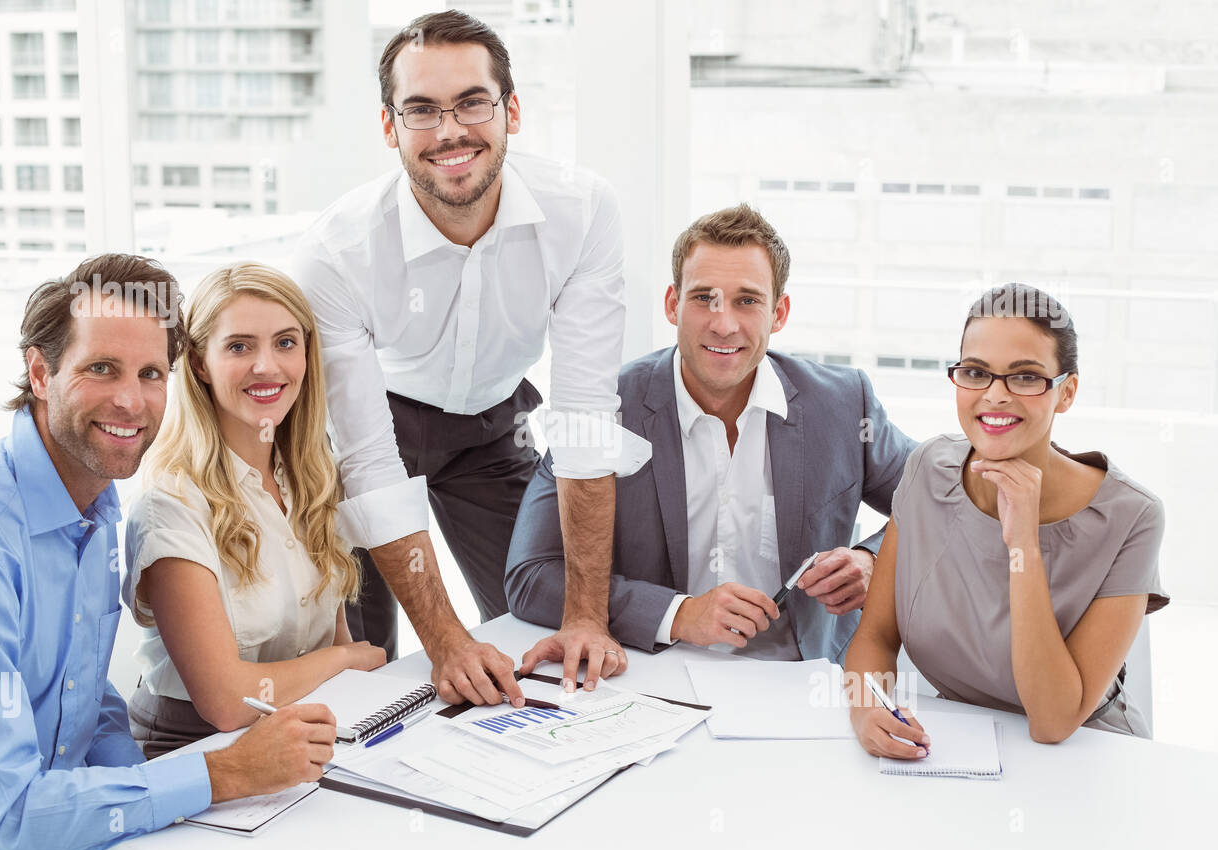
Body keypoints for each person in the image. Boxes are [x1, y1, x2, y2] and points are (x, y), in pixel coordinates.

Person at [0, 255, 338, 850]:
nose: (131, 401)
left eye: (149, 373)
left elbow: (84, 706)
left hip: (71, 839)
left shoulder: (92, 501)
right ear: (40, 371)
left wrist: (167, 805)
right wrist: (220, 775)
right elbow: (6, 826)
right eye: (101, 369)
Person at [290, 9, 650, 699]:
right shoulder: (336, 252)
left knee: (533, 608)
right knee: (367, 663)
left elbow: (583, 423)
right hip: (363, 434)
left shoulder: (581, 212)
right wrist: (447, 644)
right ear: (389, 127)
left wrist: (584, 617)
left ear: (511, 110)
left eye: (472, 103)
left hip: (492, 423)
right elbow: (368, 461)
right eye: (421, 110)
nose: (450, 130)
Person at [505, 205, 916, 663]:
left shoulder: (842, 403)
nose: (724, 323)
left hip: (807, 677)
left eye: (747, 300)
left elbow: (939, 504)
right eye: (704, 298)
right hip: (654, 670)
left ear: (778, 312)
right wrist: (678, 614)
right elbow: (531, 574)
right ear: (671, 304)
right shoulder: (603, 405)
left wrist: (873, 562)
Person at [845, 283, 1168, 756]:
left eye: (1025, 376)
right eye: (976, 372)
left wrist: (1023, 543)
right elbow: (875, 636)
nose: (995, 396)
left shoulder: (1132, 517)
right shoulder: (928, 468)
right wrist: (867, 707)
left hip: (1087, 756)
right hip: (958, 743)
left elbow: (1053, 721)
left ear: (1066, 392)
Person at [122, 264, 387, 758]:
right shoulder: (171, 503)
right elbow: (226, 699)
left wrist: (342, 662)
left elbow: (333, 640)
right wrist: (342, 659)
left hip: (296, 727)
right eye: (240, 347)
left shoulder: (312, 474)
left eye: (286, 343)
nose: (267, 366)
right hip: (191, 748)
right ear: (199, 363)